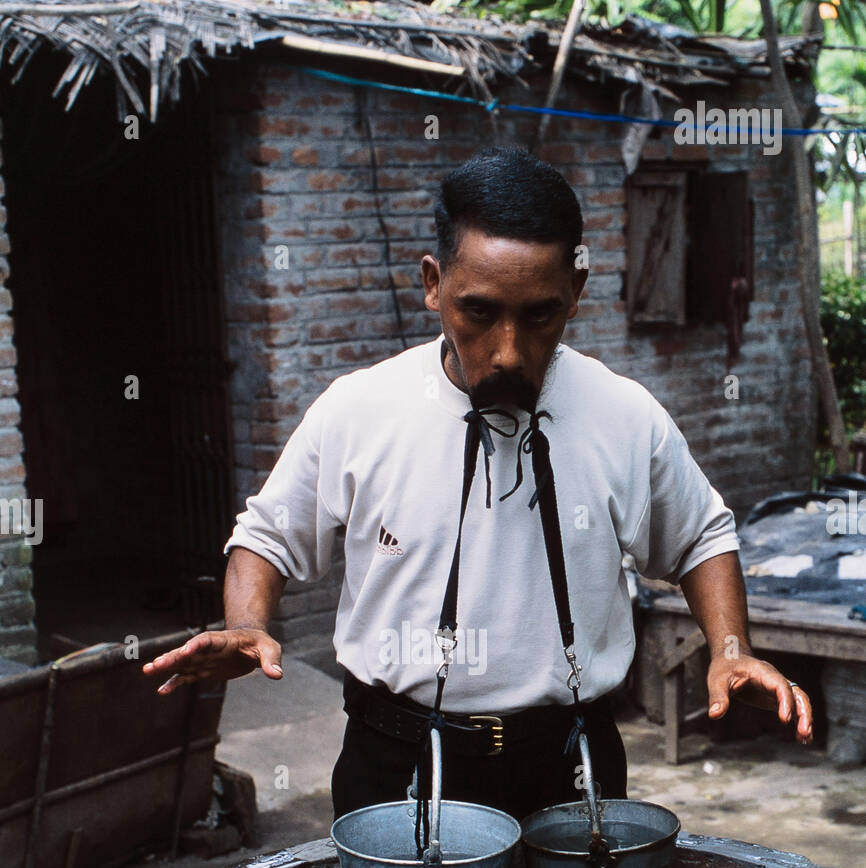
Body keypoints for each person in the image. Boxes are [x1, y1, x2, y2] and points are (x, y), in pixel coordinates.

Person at [144, 146, 813, 824]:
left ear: (576, 293)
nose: (509, 350)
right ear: (434, 284)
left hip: (571, 761)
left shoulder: (625, 416)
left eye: (540, 315)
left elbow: (701, 535)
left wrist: (731, 649)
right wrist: (247, 626)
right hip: (395, 761)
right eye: (480, 312)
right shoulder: (360, 409)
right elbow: (266, 537)